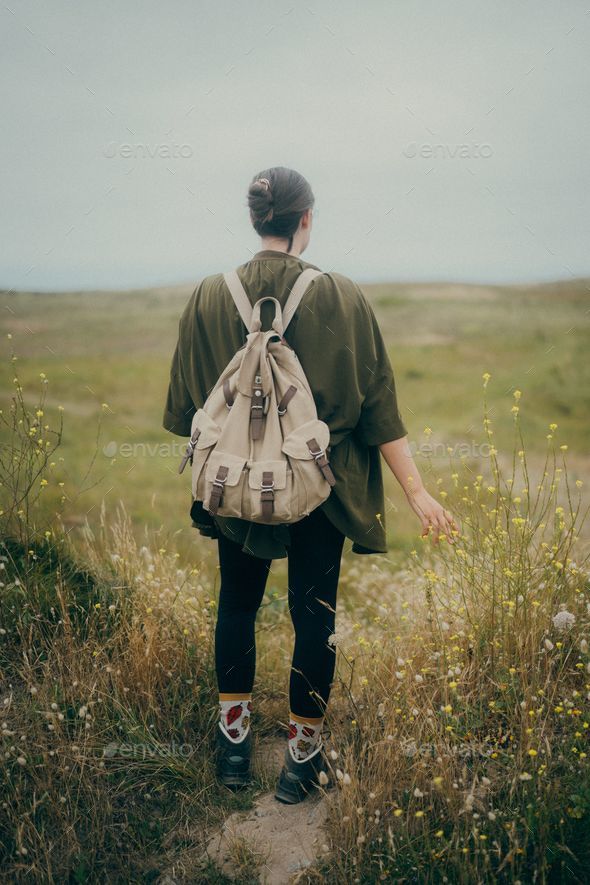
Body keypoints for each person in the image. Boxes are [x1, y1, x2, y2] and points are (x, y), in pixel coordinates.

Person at [163, 165, 458, 803]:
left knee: (236, 606)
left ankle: (234, 754)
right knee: (313, 616)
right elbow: (378, 406)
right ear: (305, 220)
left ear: (253, 220)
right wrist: (416, 491)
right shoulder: (343, 296)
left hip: (237, 488)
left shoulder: (209, 296)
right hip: (323, 487)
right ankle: (300, 765)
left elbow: (186, 405)